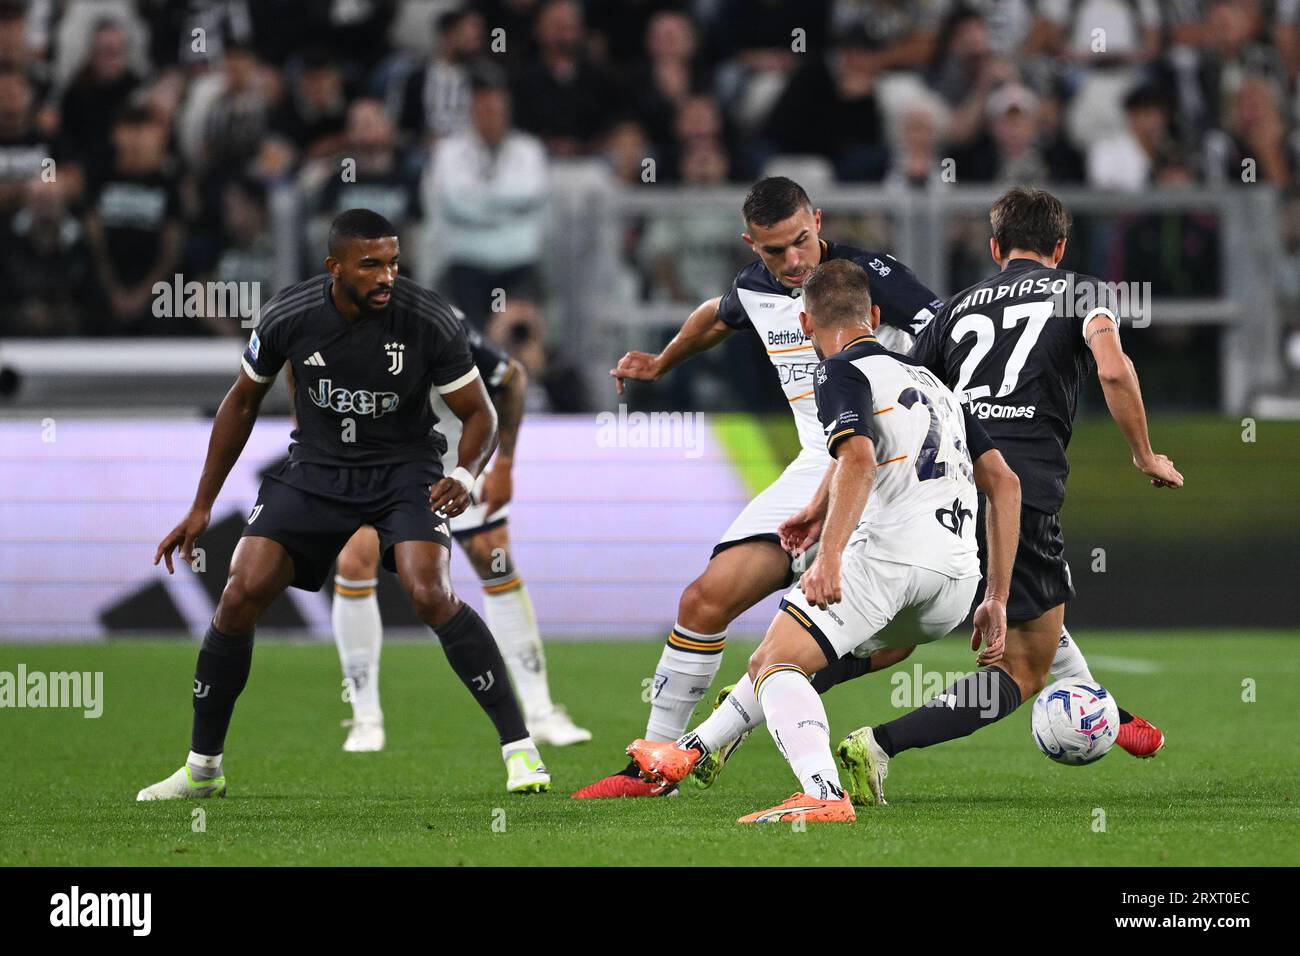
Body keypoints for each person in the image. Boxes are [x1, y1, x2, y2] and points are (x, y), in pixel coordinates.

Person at [139, 208, 550, 800]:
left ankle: (521, 749)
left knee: (430, 590)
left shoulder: (427, 317)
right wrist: (202, 506)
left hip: (404, 468)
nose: (387, 275)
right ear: (334, 268)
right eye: (371, 264)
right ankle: (203, 770)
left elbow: (480, 412)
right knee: (239, 592)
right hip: (317, 471)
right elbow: (241, 404)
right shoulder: (289, 314)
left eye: (393, 262)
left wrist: (465, 471)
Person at [573, 176, 946, 799]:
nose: (794, 261)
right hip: (817, 462)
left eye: (802, 242)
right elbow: (715, 318)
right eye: (776, 251)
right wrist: (663, 361)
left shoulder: (870, 276)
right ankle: (652, 768)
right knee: (703, 600)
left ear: (818, 221)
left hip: (896, 469)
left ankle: (741, 725)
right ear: (753, 245)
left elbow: (949, 332)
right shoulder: (757, 286)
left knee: (891, 639)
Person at [626, 259, 1022, 823]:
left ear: (806, 324)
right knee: (798, 653)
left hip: (890, 562)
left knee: (774, 667)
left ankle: (823, 792)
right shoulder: (933, 382)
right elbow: (1004, 482)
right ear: (877, 315)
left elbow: (857, 456)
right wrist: (998, 597)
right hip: (956, 587)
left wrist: (828, 557)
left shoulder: (837, 372)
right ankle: (692, 750)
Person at [832, 186, 1182, 805]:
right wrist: (1144, 455)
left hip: (943, 485)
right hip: (1017, 488)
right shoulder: (1084, 291)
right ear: (1062, 248)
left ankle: (768, 688)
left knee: (901, 634)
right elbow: (1113, 369)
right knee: (1020, 667)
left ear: (996, 247)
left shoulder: (957, 305)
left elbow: (916, 394)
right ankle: (878, 745)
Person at [332, 317, 591, 751]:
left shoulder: (438, 322)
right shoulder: (327, 326)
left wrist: (503, 465)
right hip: (376, 465)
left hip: (454, 463)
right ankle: (365, 716)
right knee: (353, 560)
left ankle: (541, 711)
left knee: (493, 555)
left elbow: (511, 377)